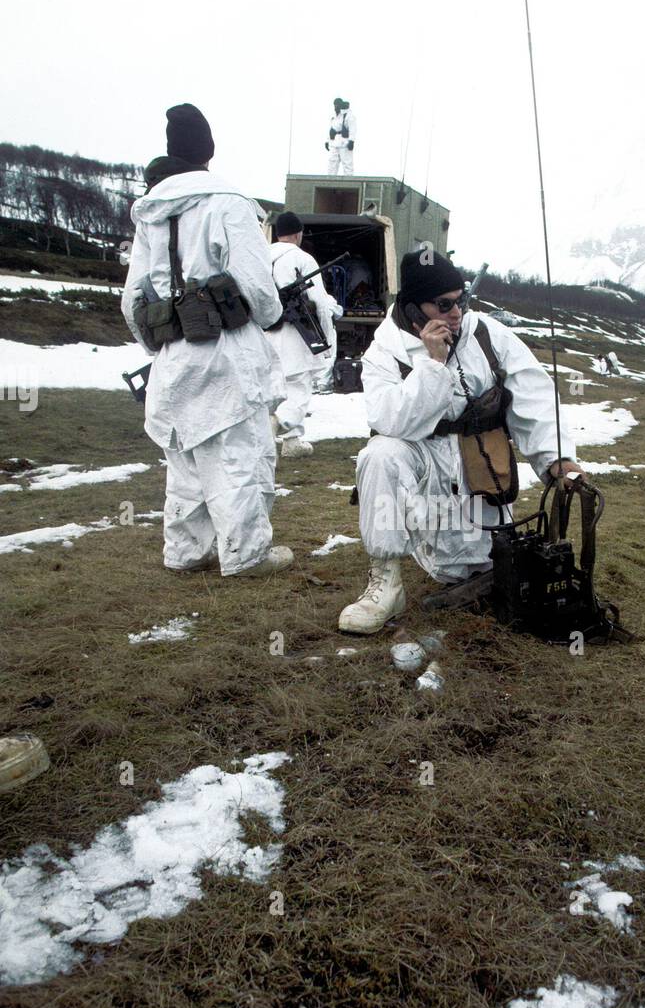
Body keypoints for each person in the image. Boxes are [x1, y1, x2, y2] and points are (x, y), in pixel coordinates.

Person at [338, 251, 585, 634]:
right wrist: (433, 367)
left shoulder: (485, 333)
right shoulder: (384, 352)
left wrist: (557, 457)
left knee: (469, 569)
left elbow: (531, 390)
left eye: (461, 300)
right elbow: (392, 420)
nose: (457, 313)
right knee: (379, 454)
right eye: (444, 304)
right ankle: (385, 582)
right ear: (413, 309)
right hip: (420, 462)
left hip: (478, 464)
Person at [121, 103, 292, 577]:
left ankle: (186, 551)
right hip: (226, 352)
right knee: (235, 457)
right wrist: (270, 316)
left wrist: (160, 344)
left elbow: (133, 299)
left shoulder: (150, 213)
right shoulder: (229, 204)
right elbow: (259, 289)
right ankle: (246, 554)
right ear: (208, 150)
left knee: (185, 460)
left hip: (174, 357)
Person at [268, 212, 342, 458]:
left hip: (265, 335)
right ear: (299, 233)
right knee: (299, 389)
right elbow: (318, 302)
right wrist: (328, 335)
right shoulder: (302, 258)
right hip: (295, 333)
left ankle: (292, 442)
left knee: (277, 388)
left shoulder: (261, 256)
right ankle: (277, 423)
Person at [326, 97, 355, 175]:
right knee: (332, 163)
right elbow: (331, 129)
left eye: (337, 105)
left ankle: (349, 182)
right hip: (334, 142)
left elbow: (352, 129)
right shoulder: (334, 116)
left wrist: (351, 141)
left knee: (347, 164)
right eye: (335, 105)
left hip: (344, 143)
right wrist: (327, 141)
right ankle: (330, 182)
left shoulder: (348, 115)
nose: (336, 107)